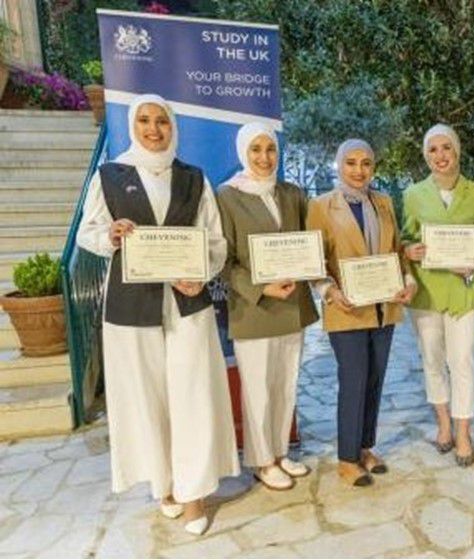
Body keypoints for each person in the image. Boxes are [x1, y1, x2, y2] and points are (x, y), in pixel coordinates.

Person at [76, 94, 238, 536]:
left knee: (192, 394)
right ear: (133, 125)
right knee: (148, 398)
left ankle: (194, 495)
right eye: (145, 121)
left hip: (187, 304)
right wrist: (110, 234)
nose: (153, 129)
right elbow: (88, 234)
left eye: (161, 121)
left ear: (172, 126)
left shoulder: (193, 178)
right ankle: (164, 484)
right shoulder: (109, 176)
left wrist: (201, 274)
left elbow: (215, 240)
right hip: (131, 306)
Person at [306, 139, 417, 486]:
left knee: (374, 379)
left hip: (384, 309)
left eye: (366, 163)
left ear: (374, 167)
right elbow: (314, 261)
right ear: (339, 165)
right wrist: (330, 291)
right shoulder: (322, 206)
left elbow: (396, 250)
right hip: (348, 310)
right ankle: (347, 458)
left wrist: (409, 279)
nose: (359, 170)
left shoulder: (383, 202)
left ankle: (366, 447)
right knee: (353, 381)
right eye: (351, 163)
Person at [216, 123, 318, 490]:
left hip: (293, 306)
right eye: (256, 149)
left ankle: (279, 452)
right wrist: (261, 288)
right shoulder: (226, 196)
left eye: (270, 149)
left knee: (285, 384)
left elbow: (310, 242)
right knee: (258, 388)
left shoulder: (291, 193)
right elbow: (223, 259)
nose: (264, 157)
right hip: (254, 309)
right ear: (244, 152)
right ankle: (261, 460)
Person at [402, 124, 474, 467]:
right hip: (426, 292)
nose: (440, 156)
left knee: (463, 361)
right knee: (432, 360)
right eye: (432, 150)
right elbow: (406, 238)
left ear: (457, 151)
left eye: (446, 148)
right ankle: (443, 424)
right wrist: (410, 250)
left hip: (464, 290)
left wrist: (469, 265)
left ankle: (464, 431)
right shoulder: (413, 194)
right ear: (426, 156)